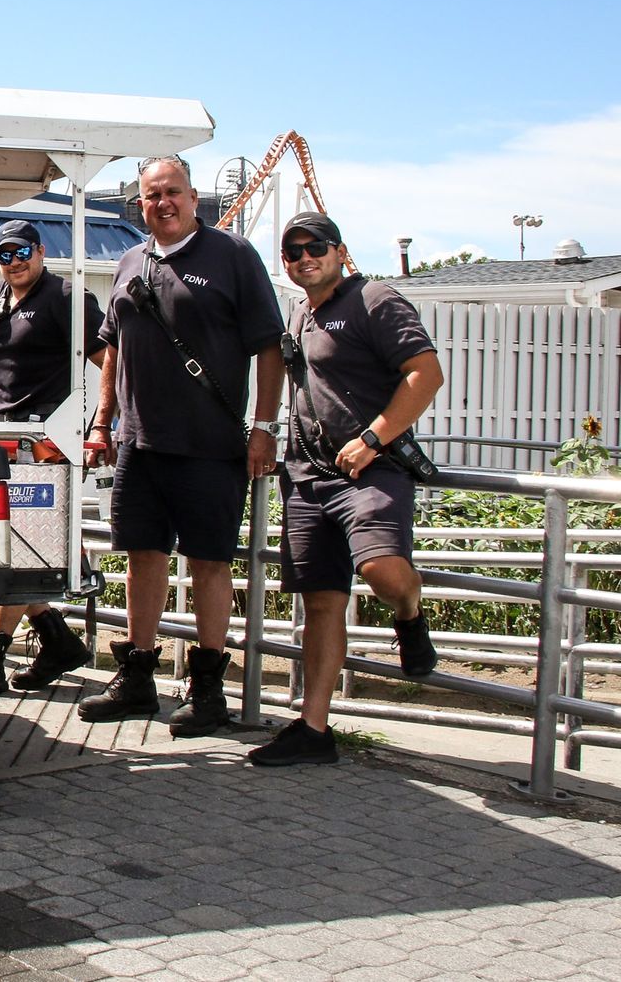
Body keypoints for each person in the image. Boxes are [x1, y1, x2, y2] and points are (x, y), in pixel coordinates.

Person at [79, 154, 285, 736]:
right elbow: (111, 347)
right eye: (150, 195)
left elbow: (269, 347)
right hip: (139, 445)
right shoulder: (127, 262)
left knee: (209, 564)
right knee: (142, 557)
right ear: (138, 203)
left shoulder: (233, 257)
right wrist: (103, 423)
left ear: (194, 198)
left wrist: (264, 429)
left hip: (210, 444)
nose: (161, 203)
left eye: (172, 192)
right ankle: (138, 680)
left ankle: (209, 691)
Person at [249, 211, 444, 766]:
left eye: (316, 247)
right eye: (292, 252)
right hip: (308, 479)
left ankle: (409, 612)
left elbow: (425, 374)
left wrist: (374, 439)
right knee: (321, 602)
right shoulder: (300, 316)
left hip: (368, 472)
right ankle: (314, 730)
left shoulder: (375, 300)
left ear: (339, 251)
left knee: (383, 572)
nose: (305, 257)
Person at [0, 220, 108, 700]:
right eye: (4, 253)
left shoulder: (66, 297)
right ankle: (58, 642)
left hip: (46, 442)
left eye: (22, 251)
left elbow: (109, 361)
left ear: (40, 251)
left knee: (22, 550)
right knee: (9, 546)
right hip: (2, 440)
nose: (14, 261)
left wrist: (104, 423)